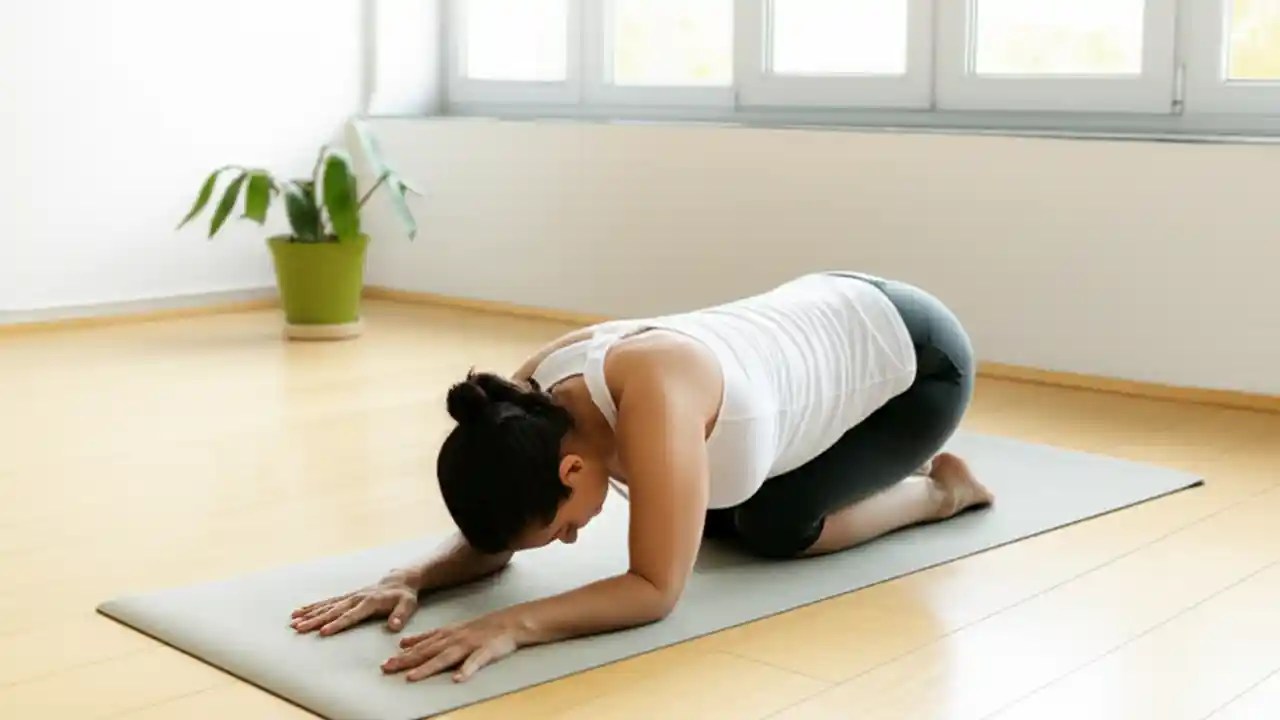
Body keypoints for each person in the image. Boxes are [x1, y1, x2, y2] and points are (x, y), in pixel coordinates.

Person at [290, 270, 994, 683]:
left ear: (570, 468)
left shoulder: (654, 393)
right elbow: (505, 538)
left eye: (563, 527)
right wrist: (409, 578)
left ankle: (941, 491)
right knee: (710, 517)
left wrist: (513, 625)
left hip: (917, 361)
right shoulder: (530, 404)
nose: (571, 541)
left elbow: (657, 590)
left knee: (773, 527)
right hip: (825, 311)